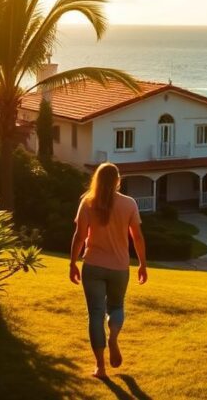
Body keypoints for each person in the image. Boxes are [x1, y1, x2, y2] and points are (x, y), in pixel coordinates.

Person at [69, 162, 148, 379]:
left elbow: (79, 236)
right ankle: (113, 334)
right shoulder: (129, 204)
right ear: (117, 181)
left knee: (95, 313)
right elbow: (137, 237)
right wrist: (142, 264)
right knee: (116, 306)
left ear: (96, 179)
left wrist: (72, 263)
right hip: (120, 267)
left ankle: (100, 367)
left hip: (93, 265)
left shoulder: (87, 202)